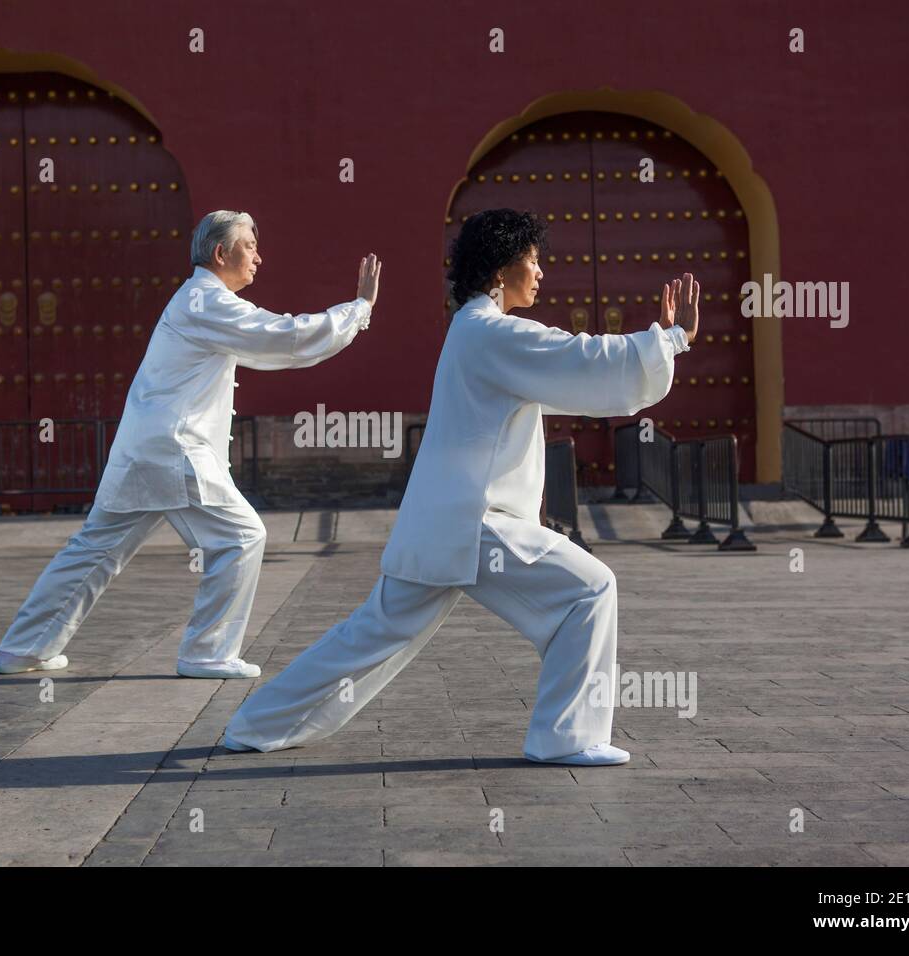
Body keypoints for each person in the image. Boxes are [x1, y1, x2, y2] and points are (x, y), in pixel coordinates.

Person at [223, 208, 697, 764]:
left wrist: (665, 343)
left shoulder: (475, 329)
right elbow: (579, 357)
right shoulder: (492, 332)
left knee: (372, 633)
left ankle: (255, 723)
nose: (541, 272)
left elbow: (567, 367)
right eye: (533, 260)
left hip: (446, 523)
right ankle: (564, 738)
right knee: (589, 590)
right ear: (501, 269)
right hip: (474, 523)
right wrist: (671, 340)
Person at [0, 210, 382, 679]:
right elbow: (286, 337)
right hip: (175, 449)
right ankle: (207, 652)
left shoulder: (197, 301)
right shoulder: (206, 300)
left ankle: (24, 648)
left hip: (144, 449)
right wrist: (358, 308)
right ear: (221, 254)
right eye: (249, 247)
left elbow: (274, 343)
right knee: (242, 536)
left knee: (95, 549)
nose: (259, 257)